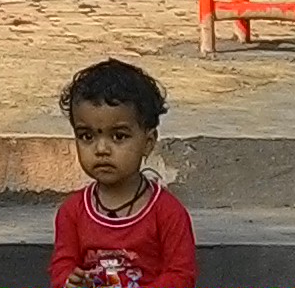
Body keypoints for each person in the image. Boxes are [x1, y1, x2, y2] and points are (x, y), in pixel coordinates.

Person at [51, 58, 196, 288]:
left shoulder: (167, 213)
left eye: (118, 136)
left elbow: (181, 275)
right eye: (87, 136)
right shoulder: (72, 213)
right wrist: (69, 281)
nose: (101, 150)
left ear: (148, 142)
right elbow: (62, 266)